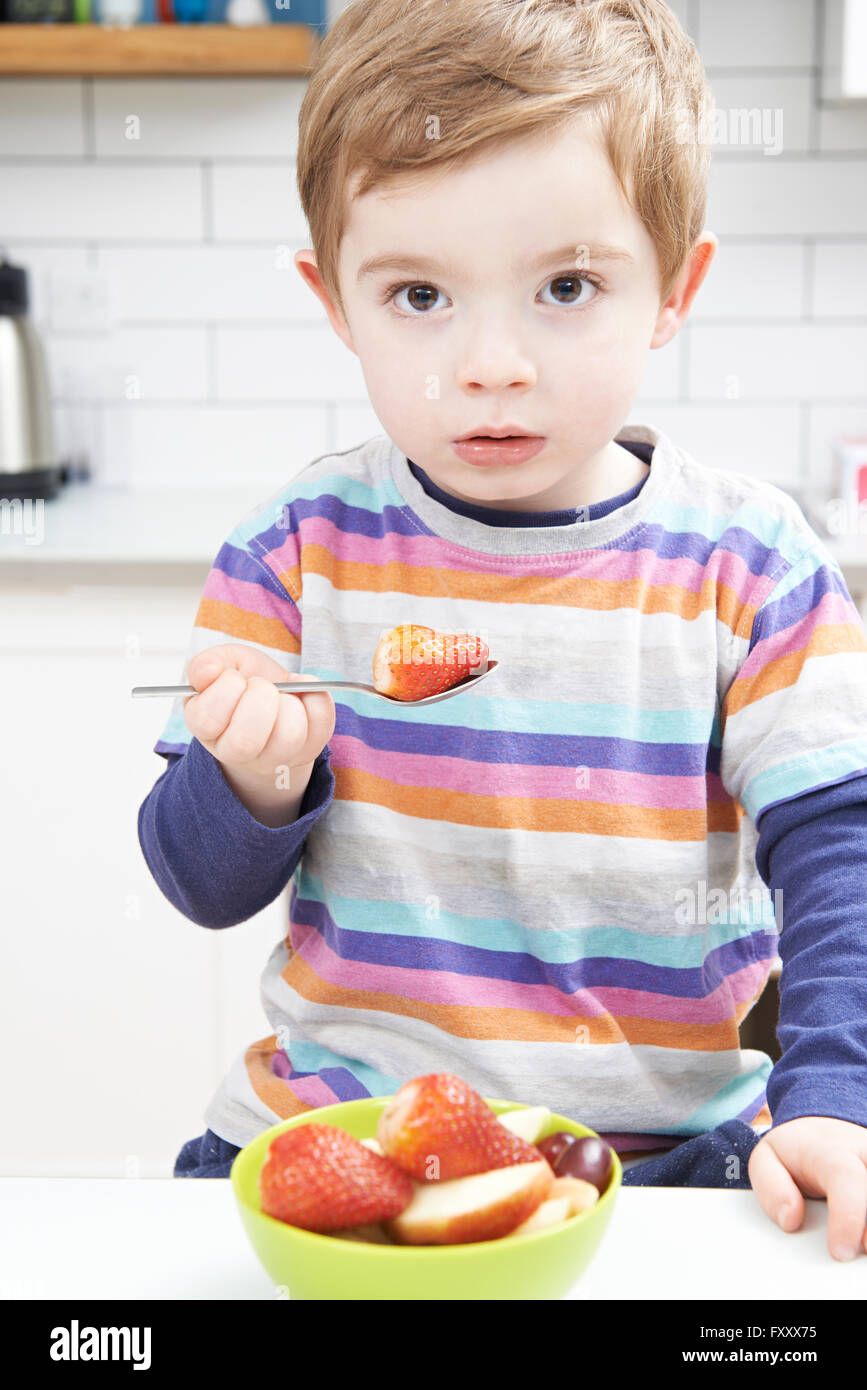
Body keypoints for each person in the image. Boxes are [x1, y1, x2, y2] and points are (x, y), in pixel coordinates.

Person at [138, 0, 867, 1260]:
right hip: (342, 1151)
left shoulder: (754, 566)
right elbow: (201, 886)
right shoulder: (292, 552)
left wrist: (837, 1097)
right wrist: (252, 784)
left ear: (674, 288)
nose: (490, 362)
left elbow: (841, 850)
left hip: (669, 1174)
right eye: (419, 294)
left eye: (567, 287)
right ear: (335, 302)